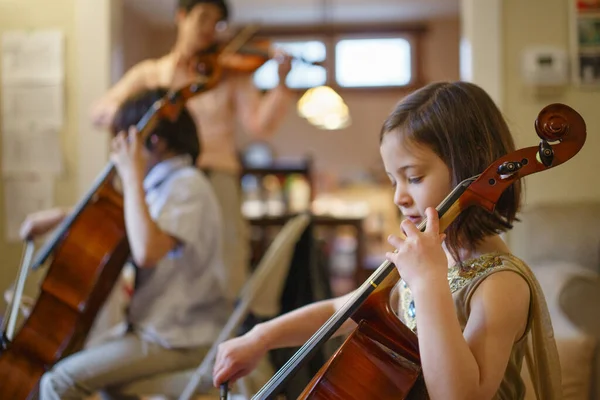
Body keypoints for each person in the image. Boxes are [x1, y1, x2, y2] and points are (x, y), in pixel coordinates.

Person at [211, 81, 563, 399]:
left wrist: (428, 283)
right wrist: (260, 337)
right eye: (394, 180)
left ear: (470, 169)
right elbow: (344, 310)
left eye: (413, 177)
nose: (399, 196)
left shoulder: (500, 285)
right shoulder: (429, 252)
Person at [21, 88, 229, 399]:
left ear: (152, 141)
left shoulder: (187, 186)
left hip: (179, 337)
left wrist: (131, 174)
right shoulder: (165, 186)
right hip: (155, 329)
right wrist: (60, 217)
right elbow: (126, 227)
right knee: (82, 365)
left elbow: (146, 250)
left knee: (59, 382)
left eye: (122, 141)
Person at [90, 0, 293, 300]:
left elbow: (260, 125)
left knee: (227, 263)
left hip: (217, 175)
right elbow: (100, 112)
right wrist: (152, 112)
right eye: (203, 18)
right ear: (181, 17)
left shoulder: (227, 73)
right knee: (165, 267)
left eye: (217, 23)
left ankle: (225, 337)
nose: (210, 29)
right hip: (166, 178)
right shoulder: (152, 73)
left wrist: (282, 82)